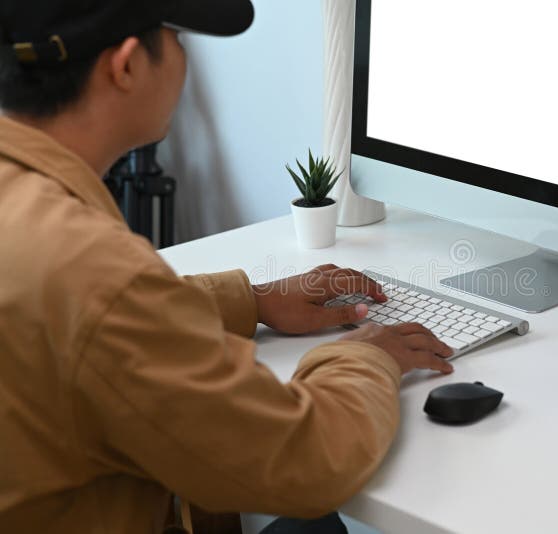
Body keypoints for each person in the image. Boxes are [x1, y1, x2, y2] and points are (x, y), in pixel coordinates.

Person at [0, 1, 455, 532]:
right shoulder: (93, 270)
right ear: (125, 66)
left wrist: (253, 300)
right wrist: (366, 359)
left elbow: (64, 316)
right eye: (177, 39)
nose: (184, 59)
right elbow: (304, 462)